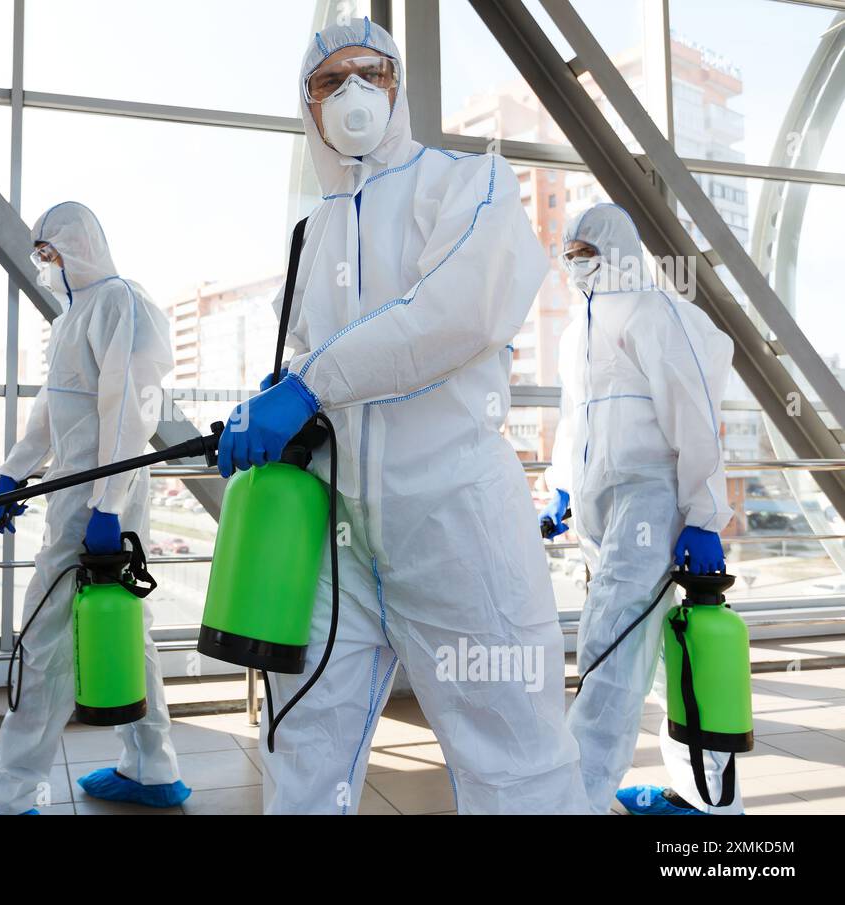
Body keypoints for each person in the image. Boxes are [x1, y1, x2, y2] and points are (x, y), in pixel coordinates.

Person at [218, 18, 588, 815]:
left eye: (371, 73)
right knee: (302, 744)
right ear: (309, 108)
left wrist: (309, 384)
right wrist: (278, 402)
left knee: (517, 760)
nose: (353, 91)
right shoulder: (312, 234)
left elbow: (457, 314)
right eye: (330, 81)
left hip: (456, 522)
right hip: (336, 535)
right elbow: (307, 363)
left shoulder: (467, 182)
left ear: (398, 86)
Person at [0, 201, 189, 814]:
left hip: (98, 494)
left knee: (46, 635)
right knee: (122, 625)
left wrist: (107, 504)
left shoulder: (122, 302)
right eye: (41, 255)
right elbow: (52, 406)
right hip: (75, 491)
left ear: (80, 244)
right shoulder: (74, 316)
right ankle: (151, 767)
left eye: (53, 251)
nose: (47, 264)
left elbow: (131, 409)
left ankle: (5, 791)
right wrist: (14, 472)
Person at [541, 202, 740, 815]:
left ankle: (578, 796)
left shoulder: (653, 314)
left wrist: (705, 514)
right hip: (605, 509)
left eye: (587, 256)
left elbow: (692, 412)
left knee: (611, 641)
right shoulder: (579, 332)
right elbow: (577, 421)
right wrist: (564, 488)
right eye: (570, 257)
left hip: (650, 498)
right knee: (653, 656)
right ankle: (702, 796)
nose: (577, 268)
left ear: (619, 252)